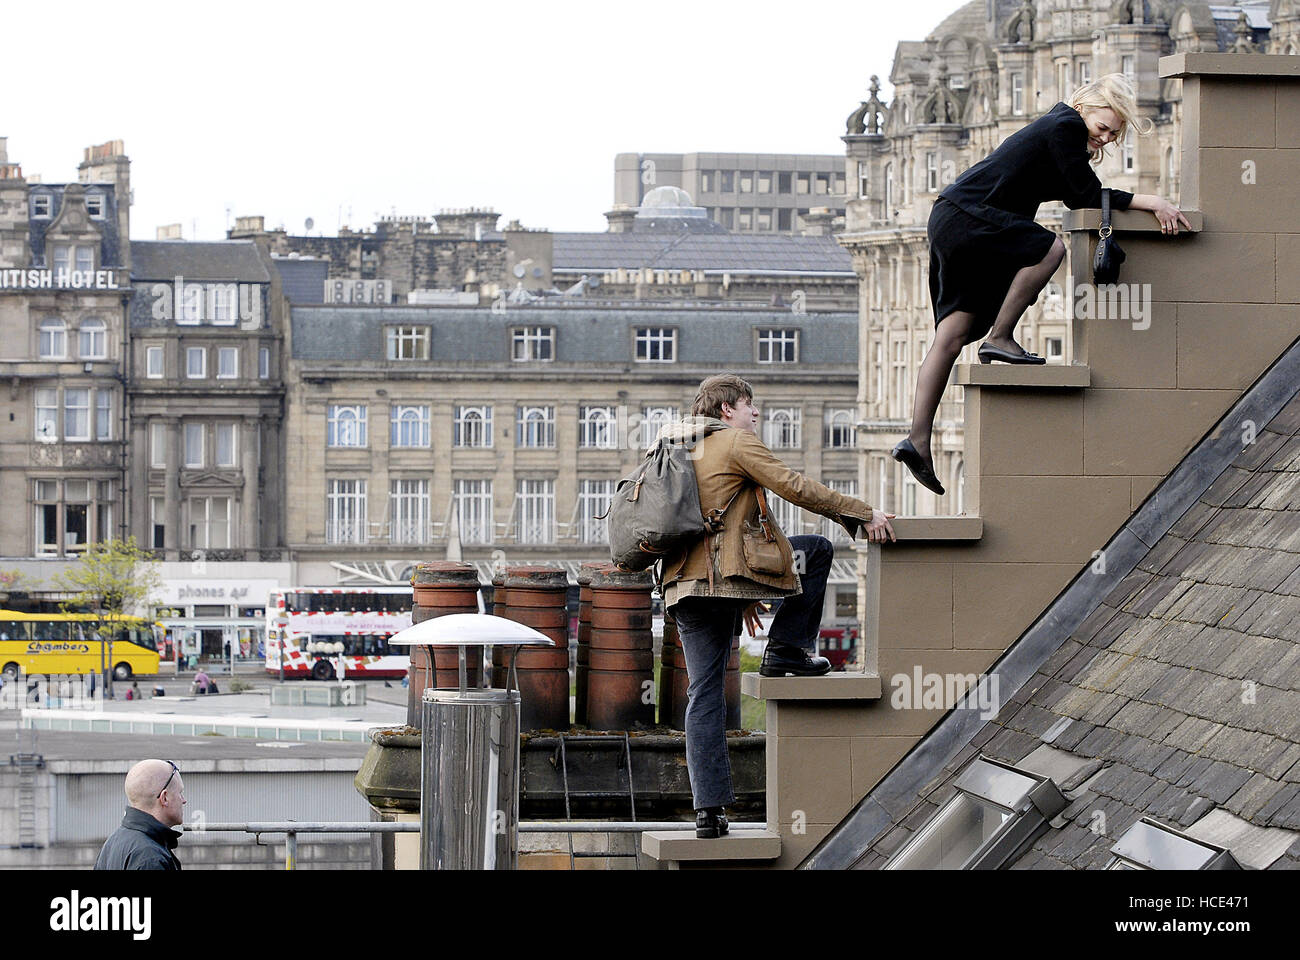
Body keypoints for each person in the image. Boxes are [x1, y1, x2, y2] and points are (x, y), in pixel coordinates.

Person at [894, 73, 1192, 495]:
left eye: (1113, 134)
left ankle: (917, 439)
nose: (1105, 139)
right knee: (1049, 248)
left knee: (953, 333)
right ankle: (1000, 338)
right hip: (969, 217)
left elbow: (1074, 194)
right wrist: (1153, 201)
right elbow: (1087, 195)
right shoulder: (1065, 125)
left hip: (954, 215)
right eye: (1103, 127)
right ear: (1084, 106)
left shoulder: (1059, 132)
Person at [659, 374, 896, 838]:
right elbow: (794, 486)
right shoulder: (733, 440)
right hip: (723, 578)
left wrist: (742, 595)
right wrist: (862, 511)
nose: (756, 414)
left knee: (703, 695)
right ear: (727, 409)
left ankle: (708, 811)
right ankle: (787, 650)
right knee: (818, 550)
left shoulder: (677, 444)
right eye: (751, 406)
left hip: (684, 586)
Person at [94, 759, 184, 870]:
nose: (183, 800)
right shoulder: (150, 858)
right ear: (164, 798)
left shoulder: (114, 841)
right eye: (180, 793)